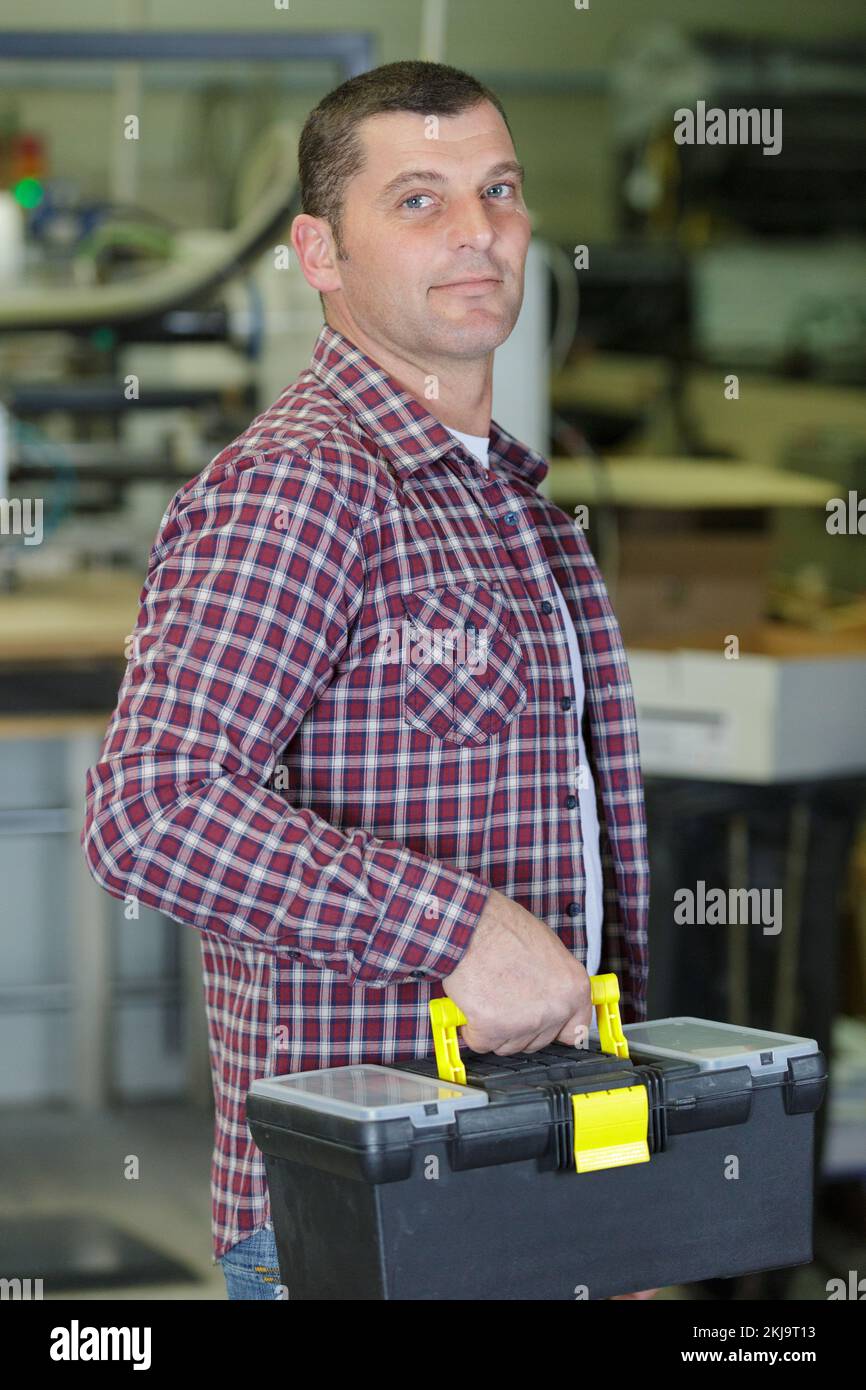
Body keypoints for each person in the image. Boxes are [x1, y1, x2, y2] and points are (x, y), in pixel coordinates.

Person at [82, 59, 653, 1301]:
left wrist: (623, 1188)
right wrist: (455, 932)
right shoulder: (305, 485)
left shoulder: (510, 506)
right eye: (417, 199)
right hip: (379, 1223)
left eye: (497, 190)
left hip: (542, 1188)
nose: (476, 232)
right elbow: (152, 811)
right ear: (318, 253)